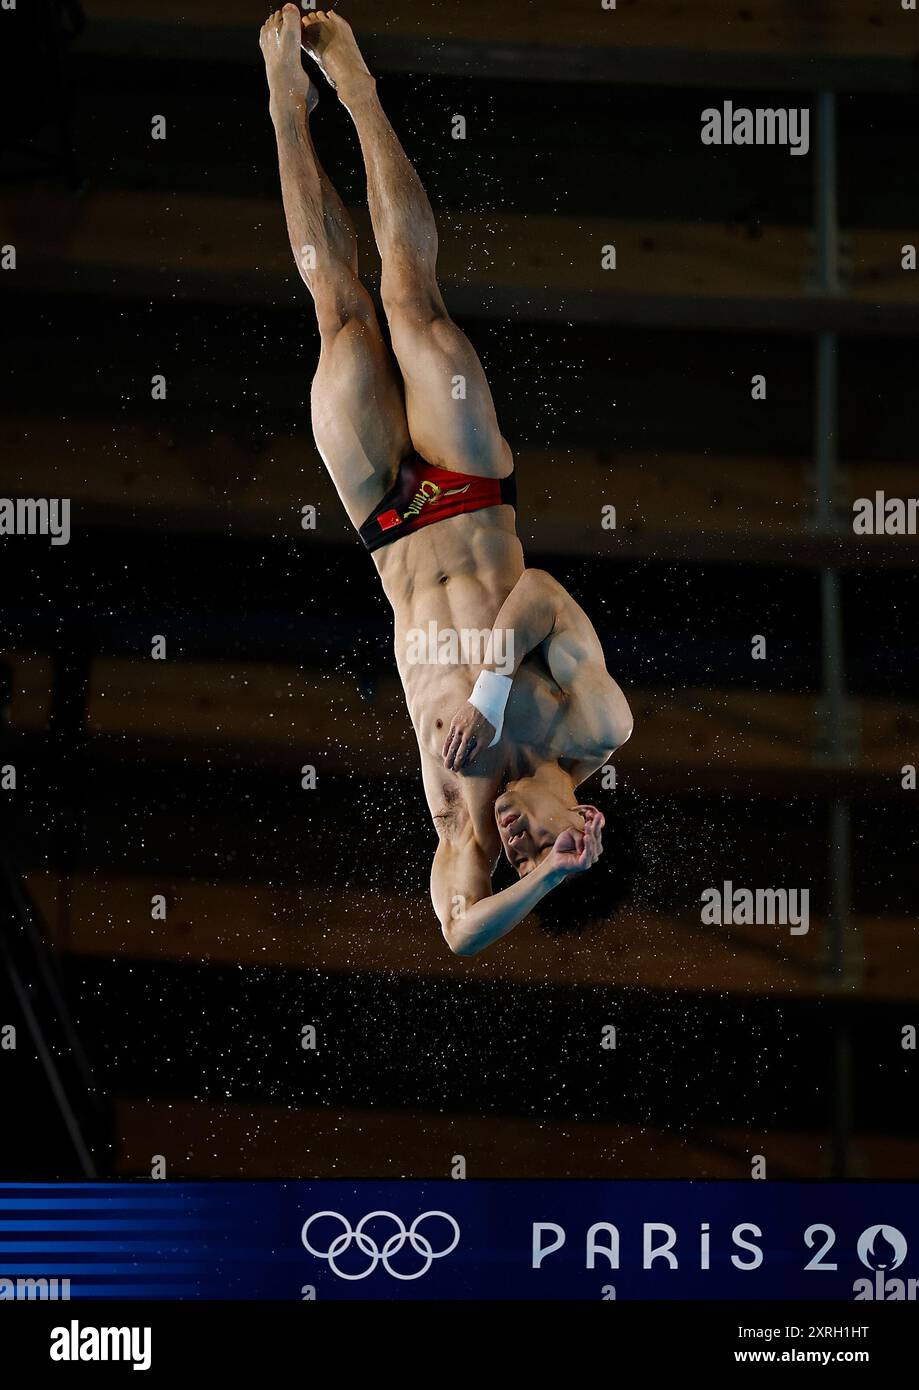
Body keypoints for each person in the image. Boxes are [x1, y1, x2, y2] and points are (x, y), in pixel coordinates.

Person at [261, 6, 633, 956]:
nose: (512, 848)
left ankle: (284, 104)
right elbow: (543, 596)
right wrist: (492, 697)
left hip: (389, 522)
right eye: (539, 849)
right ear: (586, 827)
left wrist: (541, 877)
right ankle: (357, 87)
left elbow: (459, 937)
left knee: (339, 324)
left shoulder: (462, 826)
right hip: (467, 492)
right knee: (409, 303)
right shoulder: (594, 723)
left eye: (518, 868)